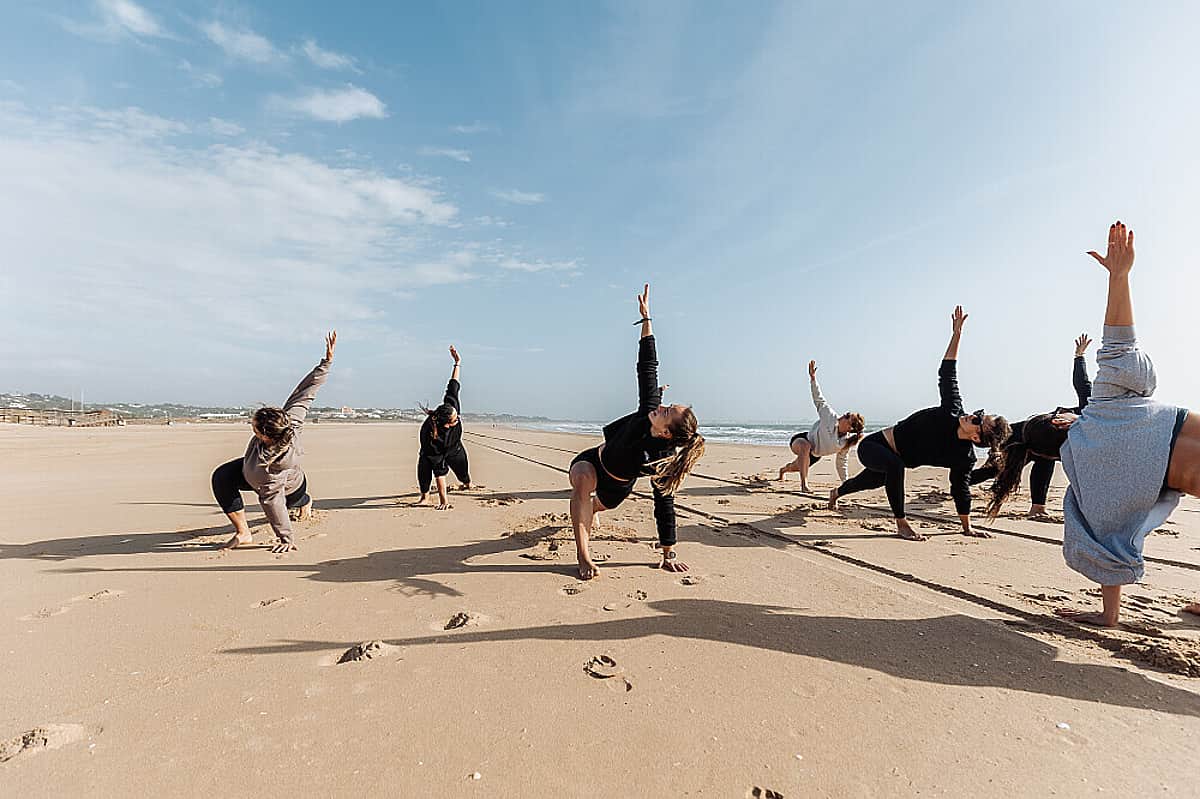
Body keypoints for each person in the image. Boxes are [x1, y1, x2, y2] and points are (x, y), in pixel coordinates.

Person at [1043, 221, 1199, 627]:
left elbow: (1102, 539)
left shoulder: (1091, 476)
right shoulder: (1110, 409)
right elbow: (1118, 345)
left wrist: (1108, 615)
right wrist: (1119, 277)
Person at [829, 307, 1010, 540]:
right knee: (893, 467)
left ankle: (836, 493)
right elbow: (947, 374)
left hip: (895, 460)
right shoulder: (952, 409)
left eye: (977, 420)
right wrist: (957, 335)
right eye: (979, 412)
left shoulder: (964, 458)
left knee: (866, 482)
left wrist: (967, 528)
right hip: (874, 446)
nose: (971, 415)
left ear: (977, 437)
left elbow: (960, 489)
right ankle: (901, 524)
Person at [568, 284, 706, 580]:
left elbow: (664, 504)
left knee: (594, 506)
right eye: (667, 405)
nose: (662, 406)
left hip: (617, 487)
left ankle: (590, 512)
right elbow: (648, 367)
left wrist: (668, 552)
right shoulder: (649, 409)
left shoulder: (662, 460)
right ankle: (583, 554)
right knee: (581, 481)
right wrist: (647, 320)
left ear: (667, 434)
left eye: (668, 412)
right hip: (593, 461)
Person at [211, 332, 336, 553]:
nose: (251, 424)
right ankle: (243, 532)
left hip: (289, 489)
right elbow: (305, 394)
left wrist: (285, 538)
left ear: (265, 436)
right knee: (222, 477)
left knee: (290, 502)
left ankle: (305, 502)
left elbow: (273, 503)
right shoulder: (290, 420)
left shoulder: (269, 470)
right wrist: (326, 363)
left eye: (254, 426)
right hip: (250, 472)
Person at [972, 334, 1093, 518]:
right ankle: (962, 479)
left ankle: (1037, 507)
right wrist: (1079, 357)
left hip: (1044, 439)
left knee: (1023, 464)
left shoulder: (1087, 433)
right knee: (998, 468)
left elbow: (1083, 385)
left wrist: (1079, 356)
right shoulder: (1093, 413)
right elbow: (1083, 385)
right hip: (1029, 434)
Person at [777, 360, 865, 492]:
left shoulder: (845, 443)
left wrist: (846, 484)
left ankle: (783, 471)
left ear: (850, 428)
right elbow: (819, 399)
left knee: (793, 467)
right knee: (805, 447)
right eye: (847, 413)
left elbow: (841, 463)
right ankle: (804, 485)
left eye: (847, 416)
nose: (844, 415)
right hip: (802, 440)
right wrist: (813, 379)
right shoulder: (830, 417)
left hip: (815, 455)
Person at [414, 346, 471, 510]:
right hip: (432, 452)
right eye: (455, 420)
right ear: (446, 424)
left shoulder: (450, 407)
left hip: (455, 448)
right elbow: (439, 471)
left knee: (463, 474)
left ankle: (467, 484)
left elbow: (453, 385)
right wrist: (444, 501)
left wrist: (457, 363)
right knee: (425, 468)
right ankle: (425, 496)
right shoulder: (429, 434)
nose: (458, 419)